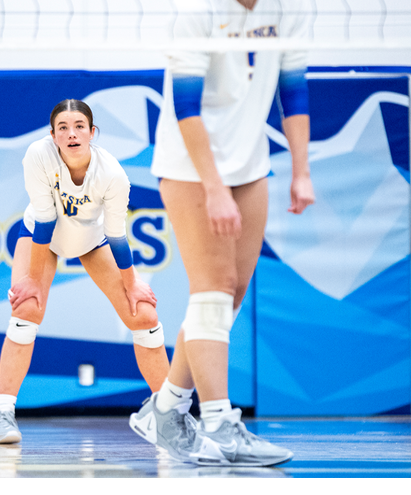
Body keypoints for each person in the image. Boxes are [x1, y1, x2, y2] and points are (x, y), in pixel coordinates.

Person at [128, 0, 315, 467]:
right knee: (211, 288)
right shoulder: (197, 11)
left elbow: (293, 93)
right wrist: (213, 187)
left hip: (250, 162)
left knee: (228, 296)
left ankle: (166, 410)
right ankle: (220, 425)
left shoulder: (288, 10)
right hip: (190, 166)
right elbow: (186, 105)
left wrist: (300, 170)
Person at [0, 99, 171, 444]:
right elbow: (44, 219)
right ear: (53, 135)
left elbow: (117, 233)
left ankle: (167, 413)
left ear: (92, 132)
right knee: (26, 310)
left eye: (78, 127)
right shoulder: (38, 155)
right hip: (40, 237)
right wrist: (31, 280)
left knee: (144, 314)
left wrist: (133, 285)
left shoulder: (113, 174)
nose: (71, 134)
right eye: (63, 128)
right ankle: (3, 412)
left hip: (92, 240)